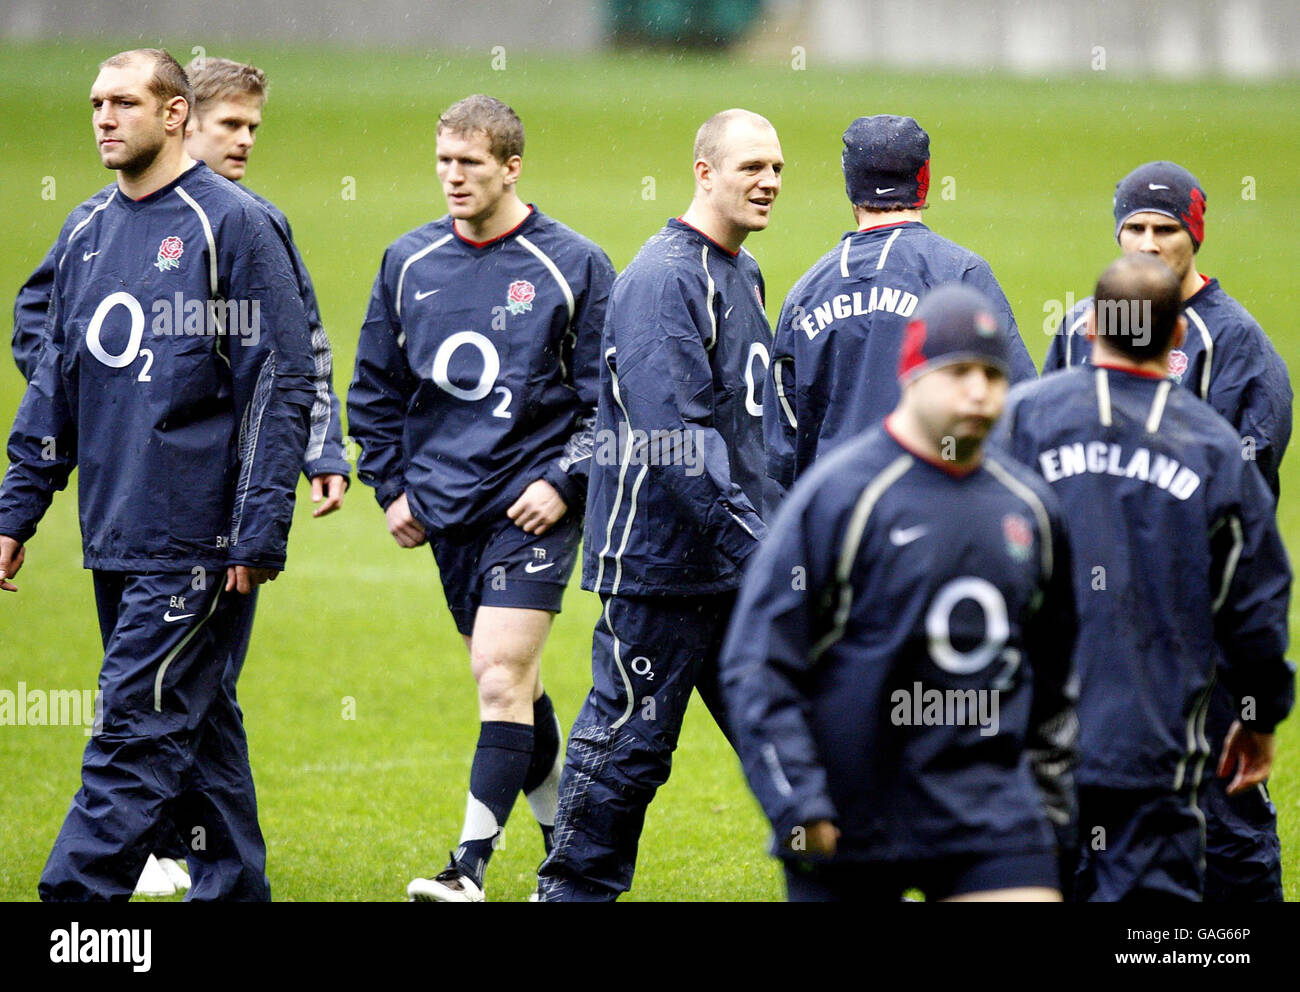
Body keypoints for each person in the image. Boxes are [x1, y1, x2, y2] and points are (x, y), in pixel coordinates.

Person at [9, 54, 353, 899]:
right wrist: (17, 511)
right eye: (94, 102)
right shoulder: (88, 229)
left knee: (135, 730)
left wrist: (259, 525)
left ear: (171, 114)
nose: (102, 117)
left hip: (200, 538)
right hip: (116, 526)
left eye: (122, 102)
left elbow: (282, 375)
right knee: (198, 732)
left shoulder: (234, 224)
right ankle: (233, 891)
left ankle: (73, 913)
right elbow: (54, 375)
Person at [720, 283, 1078, 902]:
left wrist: (1047, 807)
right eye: (958, 372)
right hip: (848, 811)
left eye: (993, 376)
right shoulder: (840, 497)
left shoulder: (1030, 507)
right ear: (912, 375)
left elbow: (1057, 673)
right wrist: (798, 801)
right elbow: (759, 660)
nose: (979, 391)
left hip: (987, 812)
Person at [347, 94, 615, 902]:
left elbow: (613, 399)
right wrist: (391, 486)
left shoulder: (573, 265)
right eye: (443, 161)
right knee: (518, 688)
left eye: (470, 163)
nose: (453, 177)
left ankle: (466, 870)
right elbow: (375, 389)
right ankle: (569, 857)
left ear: (511, 166)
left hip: (531, 506)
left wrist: (563, 482)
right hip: (445, 514)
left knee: (498, 674)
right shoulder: (408, 262)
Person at [536, 108, 782, 901]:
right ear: (704, 172)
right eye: (751, 167)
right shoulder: (663, 276)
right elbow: (675, 438)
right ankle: (568, 894)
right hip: (659, 568)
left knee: (794, 740)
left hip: (734, 563)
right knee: (627, 751)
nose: (769, 182)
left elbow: (754, 434)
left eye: (777, 168)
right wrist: (762, 549)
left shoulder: (741, 272)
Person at [995, 255, 1293, 900]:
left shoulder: (1020, 421)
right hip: (1151, 745)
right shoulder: (1213, 447)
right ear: (1179, 335)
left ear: (1092, 325)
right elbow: (1257, 601)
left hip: (1027, 739)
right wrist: (1260, 714)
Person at [764, 115, 1036, 505]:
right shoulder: (962, 273)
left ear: (849, 185)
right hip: (939, 510)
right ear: (923, 178)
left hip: (838, 518)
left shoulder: (806, 293)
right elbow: (1017, 407)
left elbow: (781, 447)